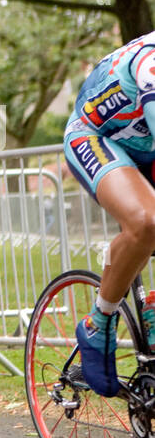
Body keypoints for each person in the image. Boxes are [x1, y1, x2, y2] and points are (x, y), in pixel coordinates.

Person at [64, 30, 155, 397]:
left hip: (145, 146)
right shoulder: (151, 61)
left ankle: (151, 307)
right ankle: (98, 322)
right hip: (98, 137)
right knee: (147, 222)